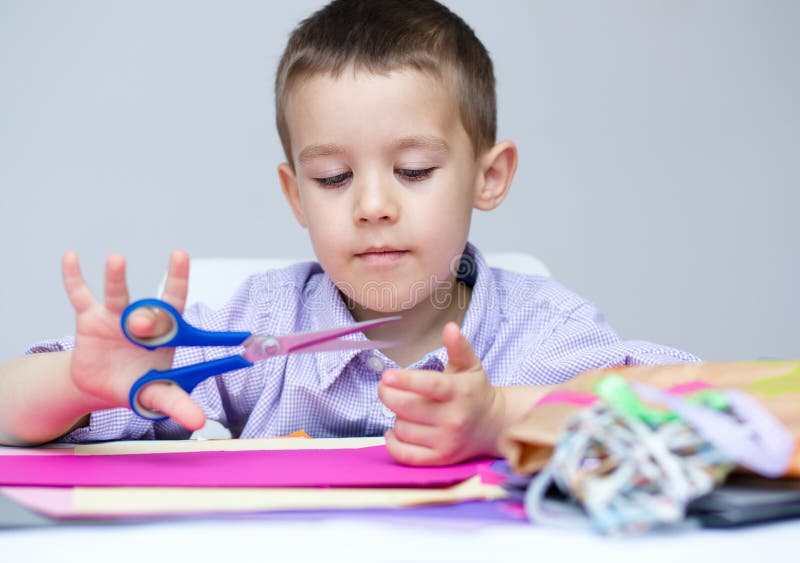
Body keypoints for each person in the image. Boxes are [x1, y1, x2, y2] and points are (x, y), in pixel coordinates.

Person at [0, 0, 697, 464]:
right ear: (295, 193)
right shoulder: (260, 324)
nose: (371, 205)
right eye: (333, 178)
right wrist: (80, 383)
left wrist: (499, 417)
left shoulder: (540, 330)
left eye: (414, 169)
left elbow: (711, 408)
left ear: (489, 176)